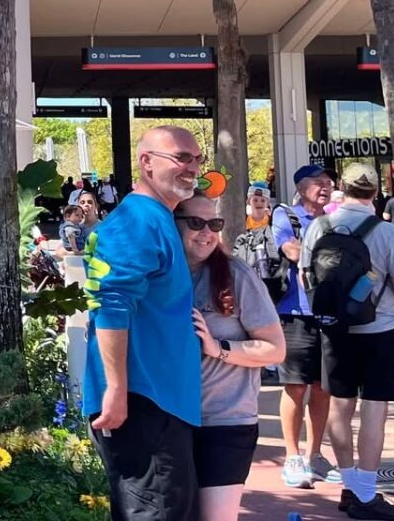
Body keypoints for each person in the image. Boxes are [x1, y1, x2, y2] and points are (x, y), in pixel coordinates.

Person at [84, 126, 204, 521]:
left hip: (158, 402)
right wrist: (116, 388)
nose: (193, 167)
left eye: (198, 158)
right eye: (181, 157)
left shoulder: (155, 218)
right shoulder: (137, 220)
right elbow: (111, 304)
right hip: (142, 402)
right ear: (146, 162)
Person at [301, 163, 394, 520]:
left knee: (340, 404)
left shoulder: (319, 226)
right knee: (374, 407)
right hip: (379, 329)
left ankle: (349, 485)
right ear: (375, 192)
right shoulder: (386, 232)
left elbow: (307, 278)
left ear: (342, 187)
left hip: (334, 330)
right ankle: (366, 493)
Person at [177, 191, 286, 521]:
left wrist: (219, 348)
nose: (207, 231)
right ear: (173, 224)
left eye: (215, 223)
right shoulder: (159, 275)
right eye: (196, 223)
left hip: (225, 422)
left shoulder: (236, 274)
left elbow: (275, 349)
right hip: (169, 421)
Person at [273, 164, 338, 490]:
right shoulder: (287, 215)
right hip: (294, 313)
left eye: (329, 182)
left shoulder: (336, 219)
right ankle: (292, 456)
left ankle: (316, 455)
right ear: (301, 186)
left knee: (323, 387)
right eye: (318, 182)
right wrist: (329, 259)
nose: (325, 187)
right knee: (296, 387)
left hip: (329, 314)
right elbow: (290, 249)